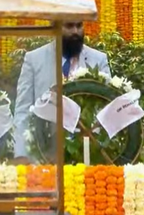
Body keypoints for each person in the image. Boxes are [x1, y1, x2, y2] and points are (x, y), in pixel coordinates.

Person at [13, 22, 110, 161]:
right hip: (45, 154)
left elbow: (108, 108)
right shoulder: (34, 59)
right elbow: (23, 111)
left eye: (79, 26)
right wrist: (21, 154)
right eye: (69, 26)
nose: (76, 32)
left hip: (89, 154)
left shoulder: (99, 60)